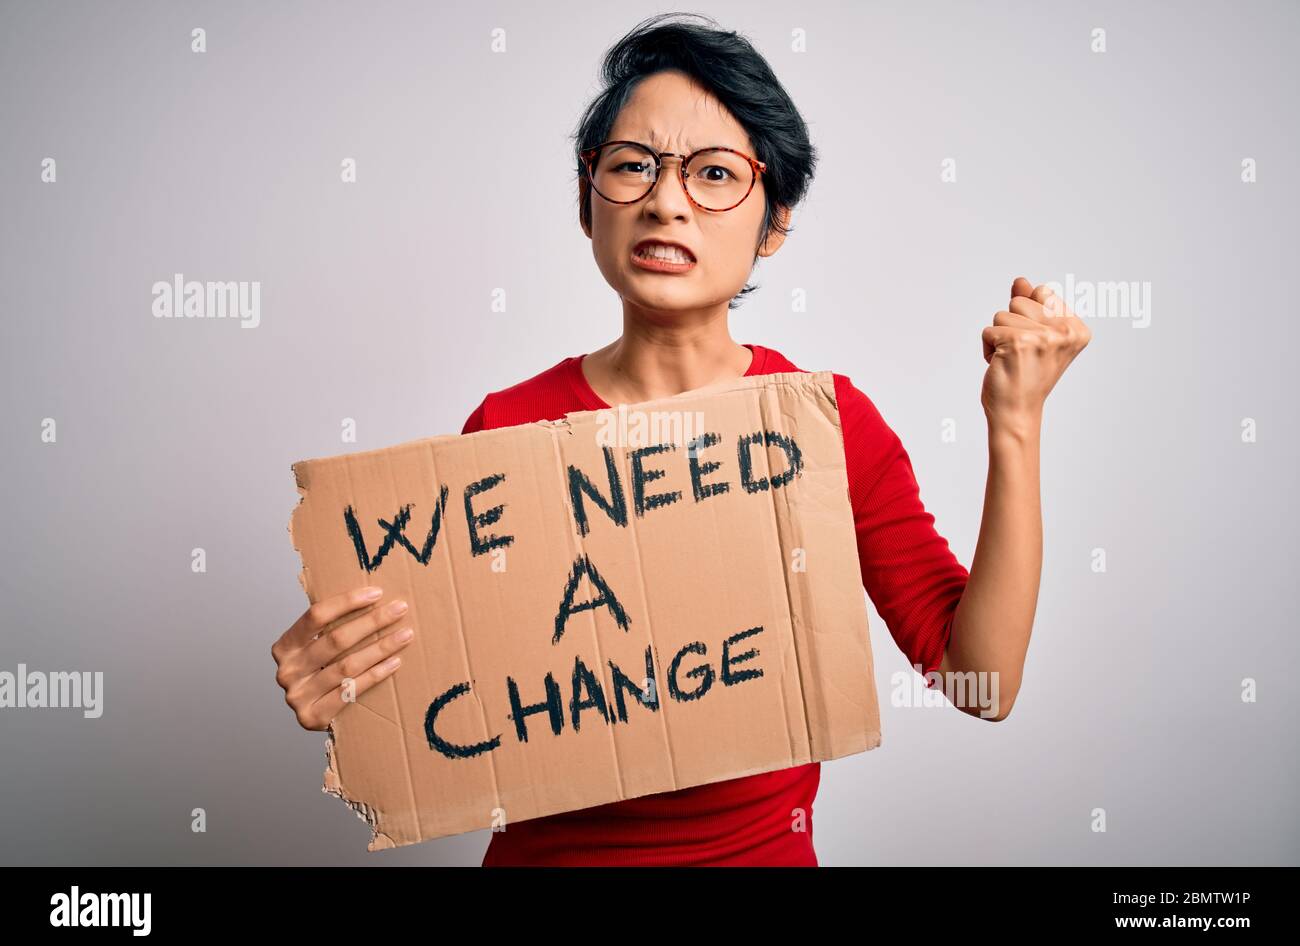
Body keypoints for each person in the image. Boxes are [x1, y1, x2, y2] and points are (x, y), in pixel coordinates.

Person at [271, 13, 1090, 866]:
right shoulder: (504, 430)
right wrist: (345, 681)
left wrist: (1016, 425)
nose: (666, 200)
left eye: (714, 175)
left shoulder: (825, 427)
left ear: (774, 223)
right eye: (632, 167)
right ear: (587, 203)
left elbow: (979, 683)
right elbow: (453, 694)